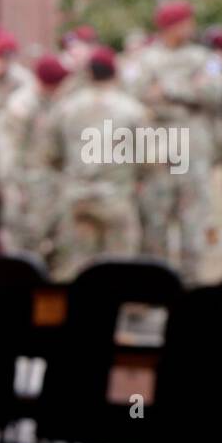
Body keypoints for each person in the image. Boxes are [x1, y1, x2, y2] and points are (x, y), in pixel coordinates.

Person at [129, 0, 222, 280]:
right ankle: (155, 284)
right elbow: (137, 94)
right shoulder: (146, 59)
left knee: (193, 220)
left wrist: (169, 89)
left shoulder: (203, 58)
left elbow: (215, 92)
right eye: (186, 22)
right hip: (157, 147)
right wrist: (189, 90)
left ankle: (190, 282)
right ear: (172, 26)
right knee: (154, 219)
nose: (191, 27)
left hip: (193, 147)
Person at [43, 47, 146, 279]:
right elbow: (147, 157)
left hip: (76, 198)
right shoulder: (131, 109)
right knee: (120, 270)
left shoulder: (66, 107)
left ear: (88, 73)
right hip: (116, 199)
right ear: (114, 72)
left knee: (79, 270)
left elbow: (51, 154)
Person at [0, 55, 71, 261]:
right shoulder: (22, 105)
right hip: (23, 184)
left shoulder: (51, 102)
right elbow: (8, 151)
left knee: (44, 240)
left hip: (44, 184)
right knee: (21, 241)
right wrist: (13, 188)